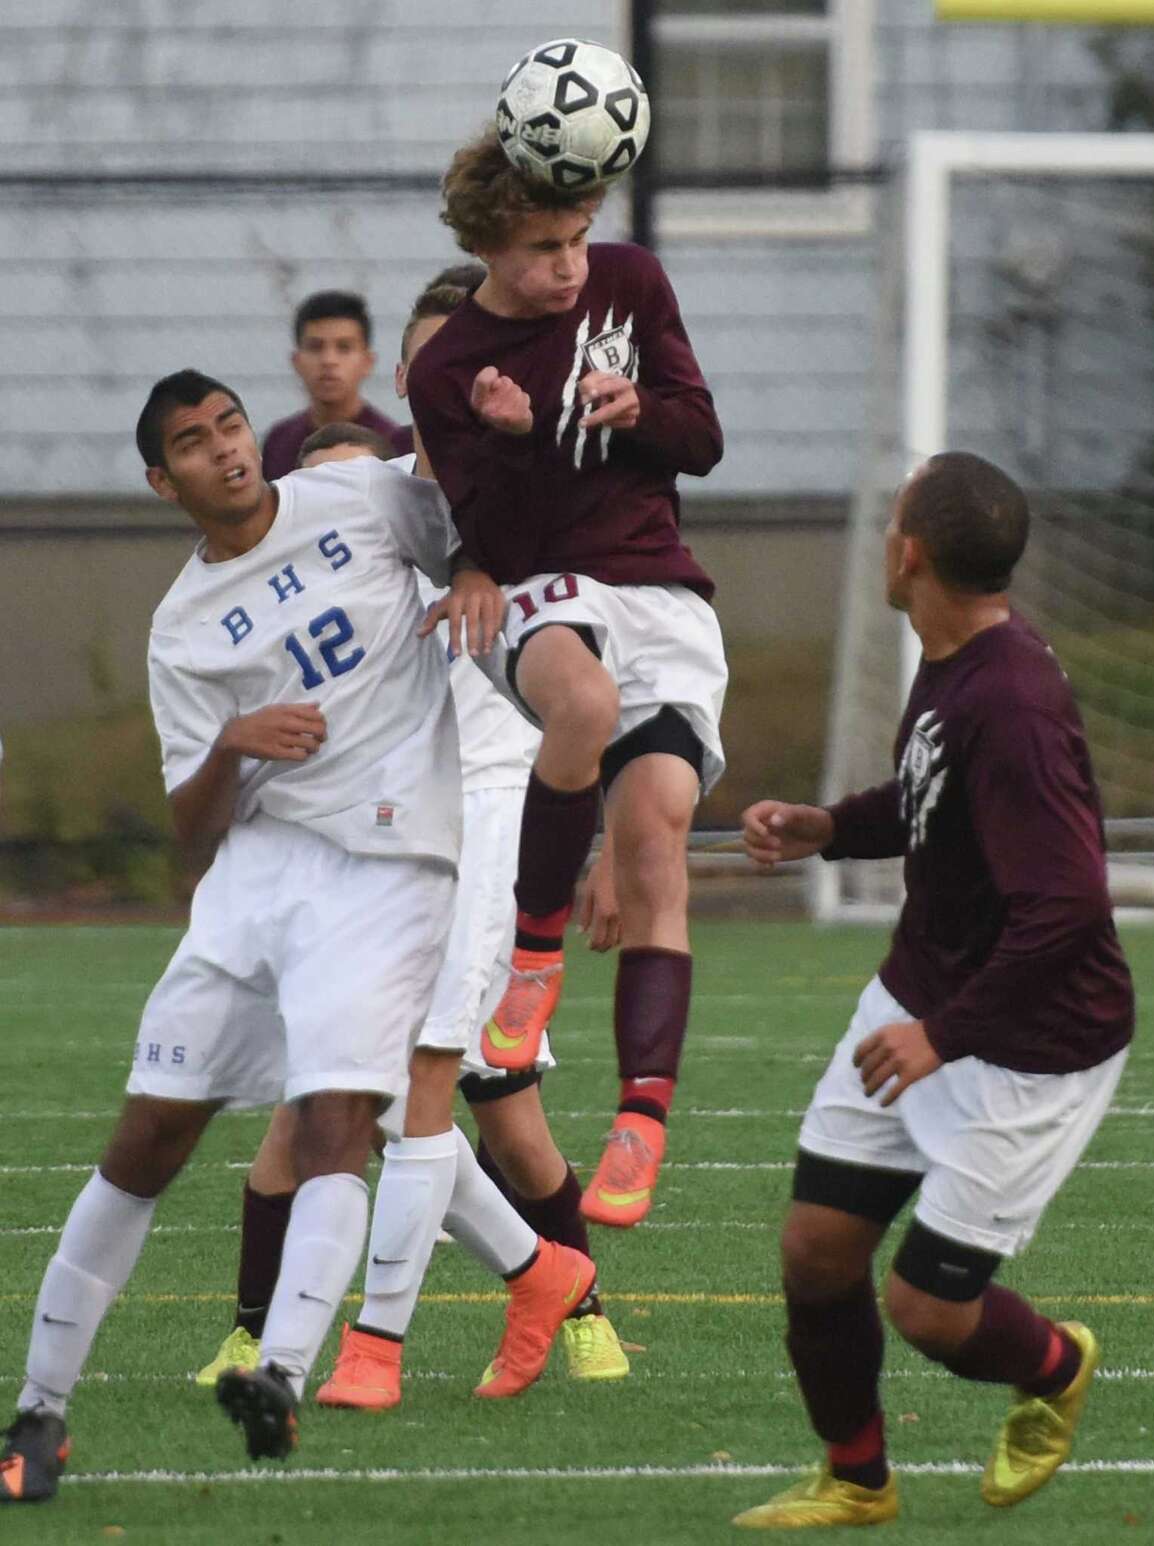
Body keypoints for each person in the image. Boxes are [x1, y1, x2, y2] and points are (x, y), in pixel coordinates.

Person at [0, 370, 593, 1503]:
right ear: (161, 480)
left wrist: (474, 564)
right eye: (193, 442)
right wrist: (232, 745)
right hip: (253, 879)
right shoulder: (180, 628)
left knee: (336, 1123)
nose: (224, 449)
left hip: (385, 871)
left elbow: (488, 523)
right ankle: (39, 1410)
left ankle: (278, 1374)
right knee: (148, 1138)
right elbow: (190, 830)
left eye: (230, 424)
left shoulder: (357, 498)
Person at [198, 273, 629, 1404]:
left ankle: (376, 1349)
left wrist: (620, 845)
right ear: (406, 380)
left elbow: (602, 688)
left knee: (452, 1088)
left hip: (494, 817)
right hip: (386, 831)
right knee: (367, 1099)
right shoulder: (371, 503)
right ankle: (541, 1276)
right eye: (444, 365)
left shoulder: (537, 501)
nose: (467, 385)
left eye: (489, 363)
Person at [735, 452, 1134, 1530]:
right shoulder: (953, 657)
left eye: (890, 524)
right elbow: (930, 801)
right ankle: (857, 1479)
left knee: (927, 1308)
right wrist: (830, 828)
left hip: (1031, 1046)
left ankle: (1055, 1367)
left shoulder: (1013, 700)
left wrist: (942, 1037)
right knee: (817, 1251)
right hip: (925, 998)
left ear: (908, 553)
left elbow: (1067, 909)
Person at [407, 127, 728, 1230]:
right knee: (582, 705)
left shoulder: (632, 283)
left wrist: (638, 411)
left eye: (580, 237)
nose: (570, 265)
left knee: (657, 836)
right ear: (488, 246)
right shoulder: (448, 367)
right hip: (544, 589)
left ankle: (643, 1116)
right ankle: (534, 956)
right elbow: (489, 538)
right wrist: (512, 433)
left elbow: (702, 440)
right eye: (545, 248)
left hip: (659, 589)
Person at [260, 290, 413, 479]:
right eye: (315, 347)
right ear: (296, 361)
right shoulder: (278, 442)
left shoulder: (393, 444)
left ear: (368, 361)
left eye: (344, 347)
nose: (329, 360)